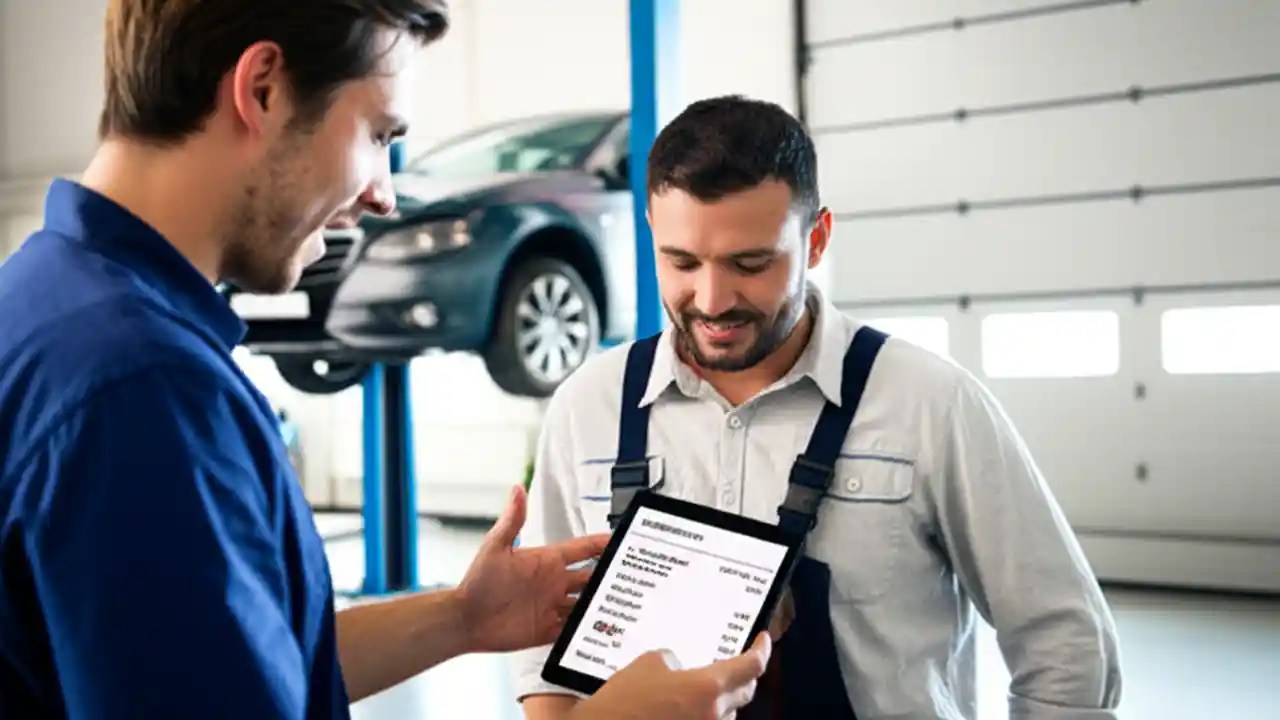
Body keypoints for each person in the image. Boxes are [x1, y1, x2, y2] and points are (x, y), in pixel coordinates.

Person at [0, 2, 770, 718]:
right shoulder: (142, 389)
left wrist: (460, 618)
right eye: (378, 135)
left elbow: (231, 664)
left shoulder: (50, 299)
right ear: (262, 89)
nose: (385, 195)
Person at [514, 95, 1124, 719]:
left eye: (750, 264)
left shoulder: (931, 403)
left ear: (817, 238)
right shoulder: (587, 407)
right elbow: (545, 655)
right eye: (682, 262)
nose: (713, 299)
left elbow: (1064, 638)